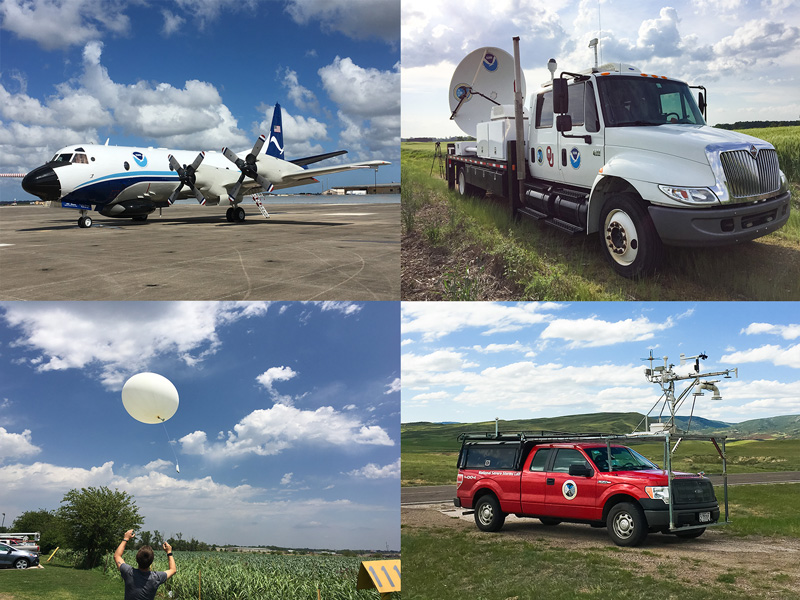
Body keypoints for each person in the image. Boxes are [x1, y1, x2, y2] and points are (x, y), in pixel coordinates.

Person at [114, 529, 177, 600]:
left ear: (137, 559)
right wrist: (169, 552)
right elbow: (173, 570)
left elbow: (117, 556)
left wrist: (126, 538)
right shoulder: (156, 578)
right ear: (151, 562)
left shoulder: (128, 572)